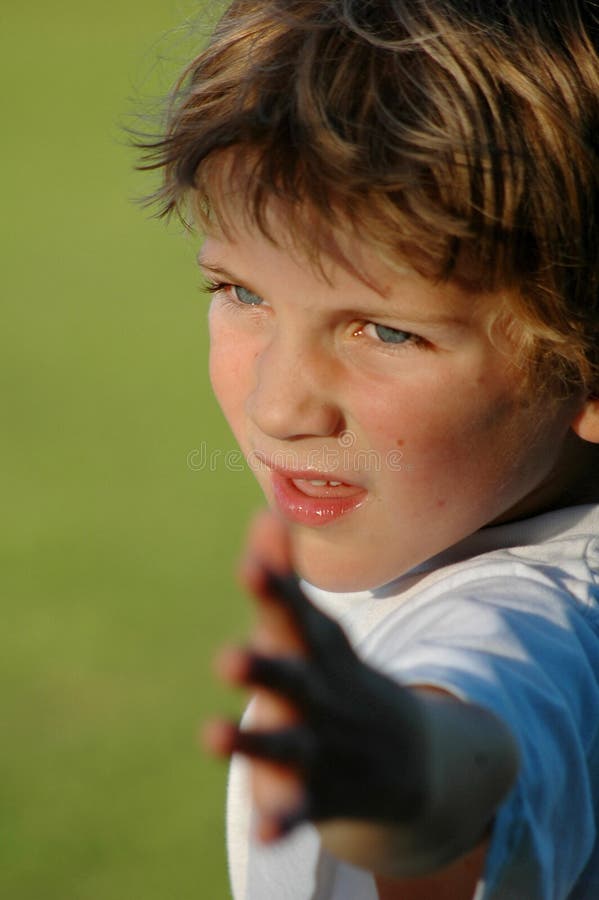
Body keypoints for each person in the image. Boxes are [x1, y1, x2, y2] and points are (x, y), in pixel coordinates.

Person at [139, 1, 599, 896]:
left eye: (386, 333)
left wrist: (400, 775)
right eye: (239, 291)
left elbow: (474, 748)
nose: (278, 407)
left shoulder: (529, 616)